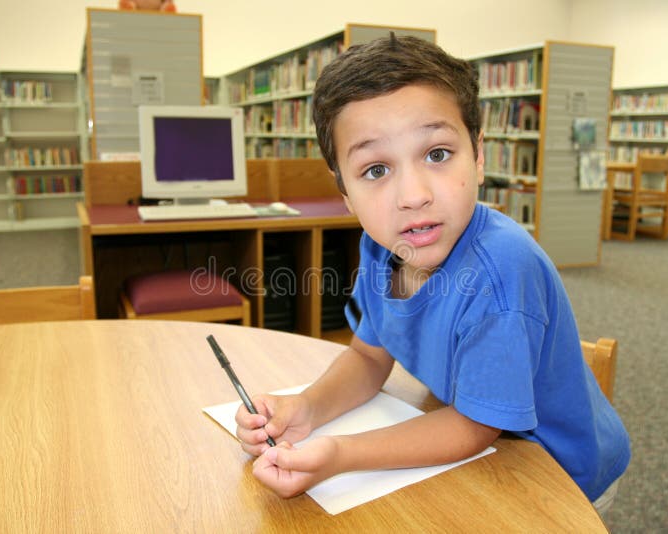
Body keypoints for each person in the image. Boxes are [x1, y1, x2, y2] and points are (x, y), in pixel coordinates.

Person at [235, 35, 630, 514]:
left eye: (437, 154)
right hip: (475, 445)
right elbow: (368, 356)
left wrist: (340, 455)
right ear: (345, 195)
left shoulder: (502, 270)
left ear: (479, 156)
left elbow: (474, 427)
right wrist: (307, 408)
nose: (413, 195)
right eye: (375, 170)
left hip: (556, 475)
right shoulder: (381, 245)